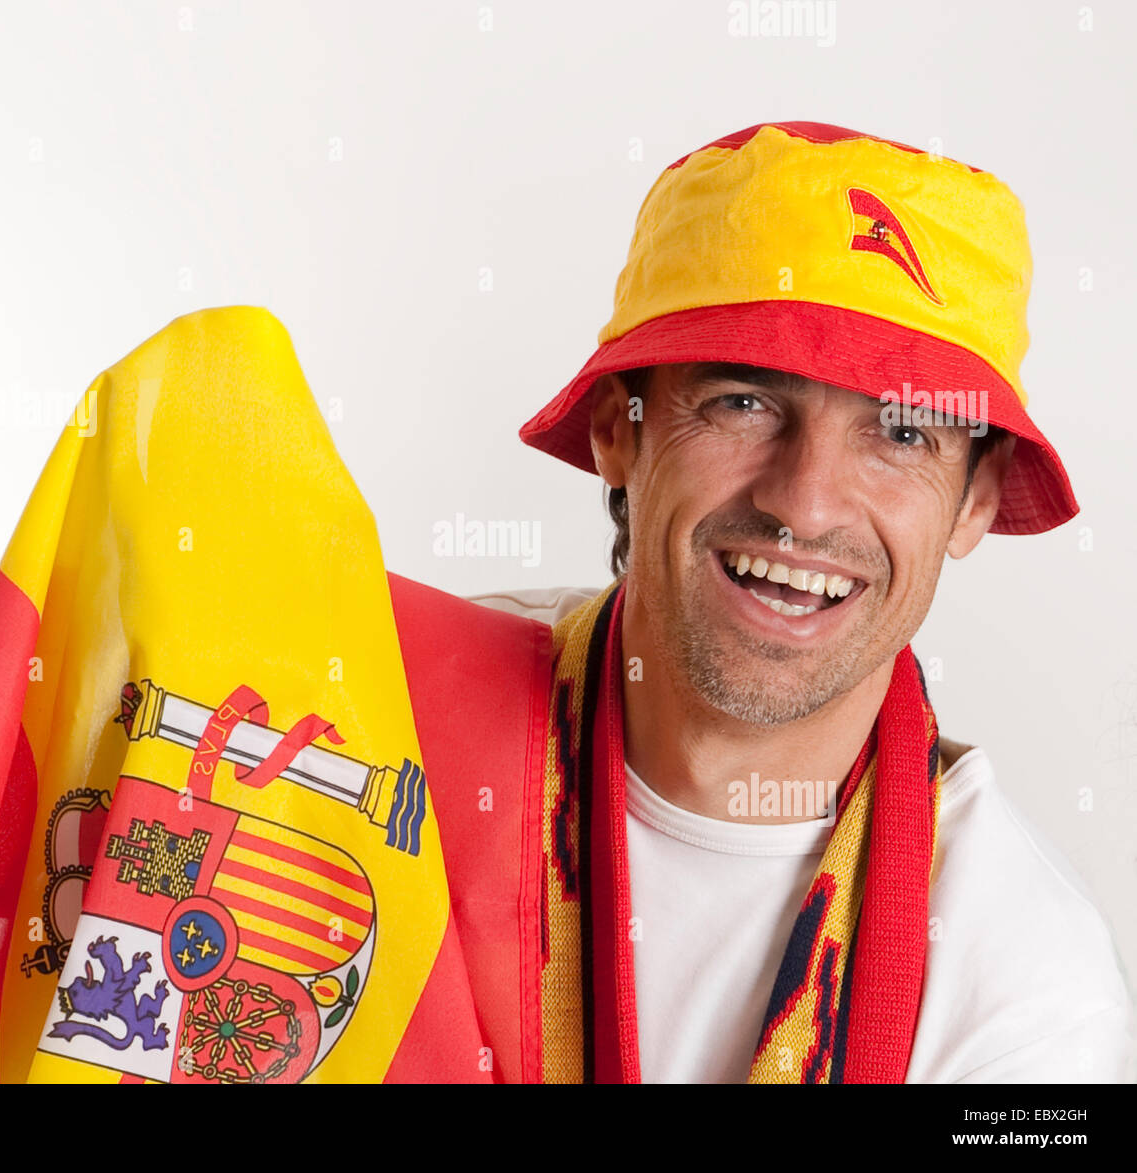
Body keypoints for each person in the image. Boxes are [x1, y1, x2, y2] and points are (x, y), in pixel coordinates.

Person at [467, 121, 1135, 1082]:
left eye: (902, 432)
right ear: (620, 429)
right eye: (744, 401)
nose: (803, 503)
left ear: (976, 499)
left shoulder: (1035, 1011)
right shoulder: (396, 715)